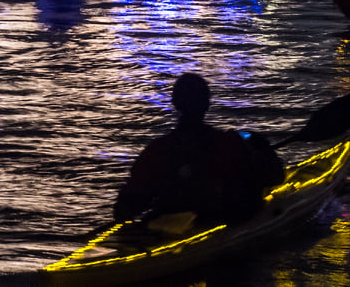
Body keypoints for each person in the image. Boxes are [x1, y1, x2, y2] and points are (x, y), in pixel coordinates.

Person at [112, 73, 285, 226]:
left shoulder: (156, 150)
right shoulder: (230, 143)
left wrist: (130, 208)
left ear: (175, 103)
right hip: (220, 219)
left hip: (172, 220)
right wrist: (262, 149)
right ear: (207, 104)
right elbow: (275, 177)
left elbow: (125, 205)